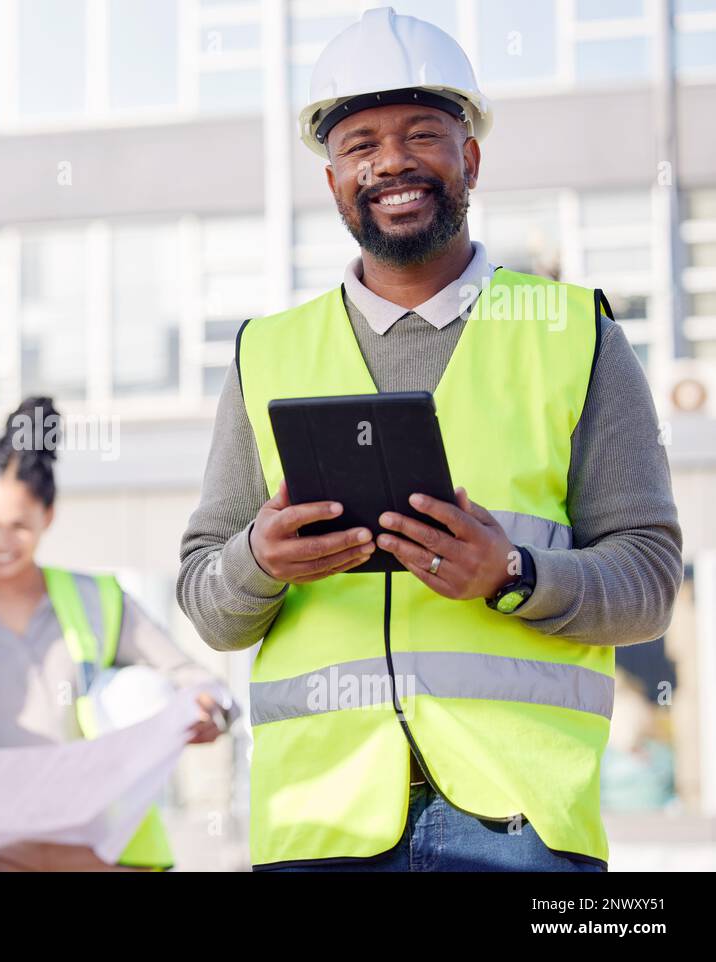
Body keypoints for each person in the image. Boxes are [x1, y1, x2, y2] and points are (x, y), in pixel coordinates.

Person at [178, 6, 682, 872]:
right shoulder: (265, 352)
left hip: (519, 830)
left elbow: (648, 581)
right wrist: (258, 560)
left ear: (470, 159)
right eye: (361, 143)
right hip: (319, 825)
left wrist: (515, 575)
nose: (392, 163)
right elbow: (205, 598)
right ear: (332, 178)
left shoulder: (574, 333)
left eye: (422, 134)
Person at [0, 397, 235, 871]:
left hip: (97, 854)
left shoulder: (99, 601)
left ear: (48, 518)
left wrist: (209, 713)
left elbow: (200, 684)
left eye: (19, 526)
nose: (0, 541)